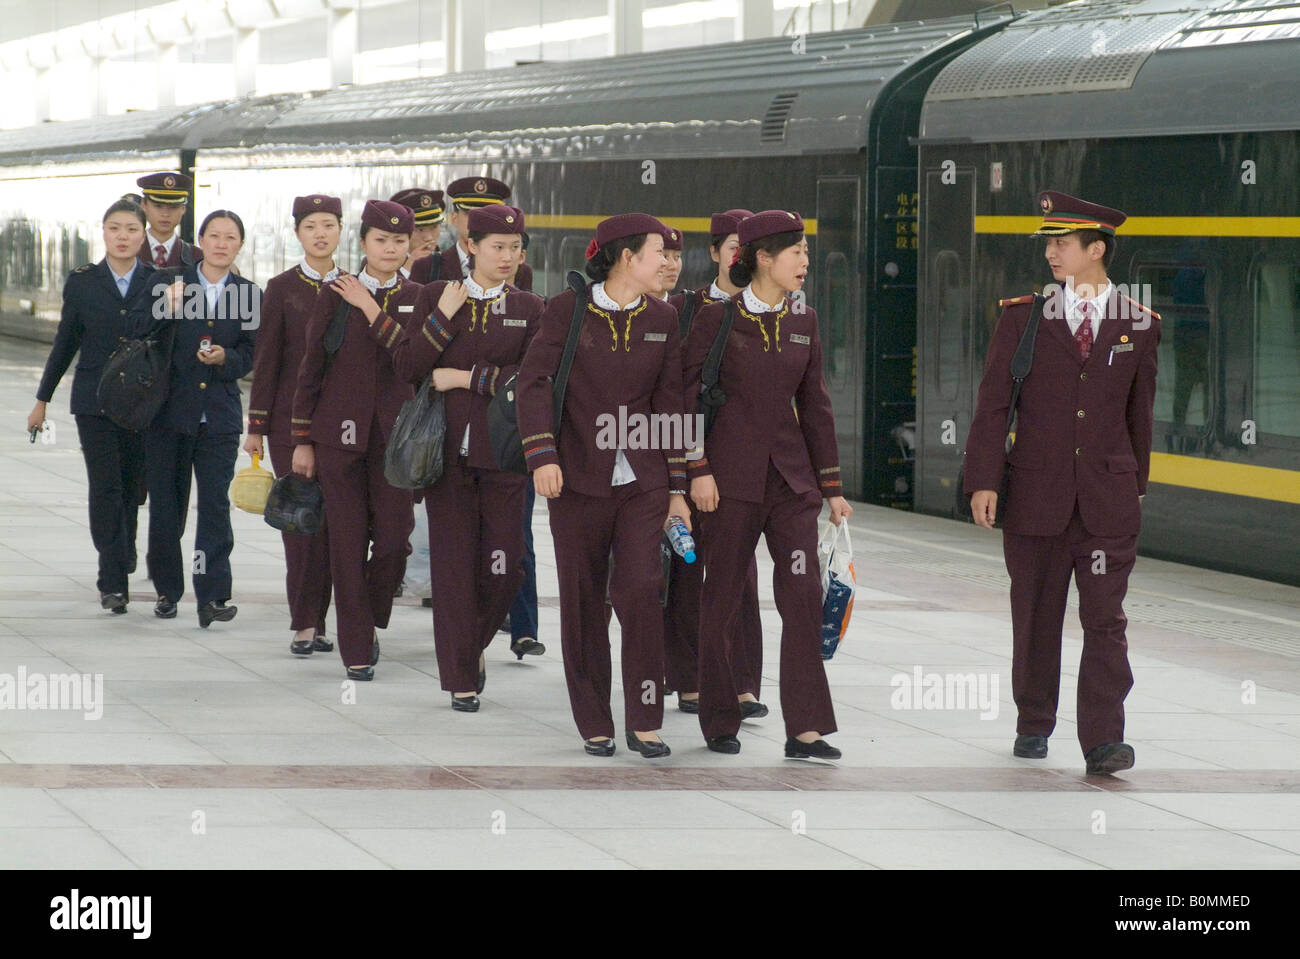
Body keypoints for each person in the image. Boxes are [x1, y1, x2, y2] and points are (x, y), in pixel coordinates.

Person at [963, 190, 1159, 777]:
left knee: (1105, 620)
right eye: (1049, 243)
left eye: (1063, 243)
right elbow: (994, 405)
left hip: (1106, 503)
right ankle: (1033, 720)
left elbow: (1139, 418)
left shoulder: (1139, 324)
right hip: (1034, 497)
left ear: (1096, 249)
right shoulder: (1023, 318)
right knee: (1037, 614)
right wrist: (982, 481)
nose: (1052, 253)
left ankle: (1104, 740)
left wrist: (1134, 488)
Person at [517, 213, 689, 759]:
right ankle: (594, 720)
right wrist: (542, 454)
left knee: (641, 589)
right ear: (624, 257)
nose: (668, 262)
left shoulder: (664, 316)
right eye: (658, 252)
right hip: (576, 476)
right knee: (583, 598)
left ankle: (644, 718)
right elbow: (533, 382)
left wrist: (679, 486)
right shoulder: (567, 310)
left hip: (644, 479)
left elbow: (672, 402)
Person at [684, 209, 850, 760]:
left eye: (805, 252)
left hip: (790, 483)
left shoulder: (806, 319)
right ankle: (719, 717)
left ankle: (805, 729)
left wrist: (831, 488)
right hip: (727, 482)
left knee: (802, 597)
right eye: (796, 252)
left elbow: (816, 404)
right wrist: (696, 469)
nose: (805, 261)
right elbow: (686, 399)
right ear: (762, 258)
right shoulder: (717, 319)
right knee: (724, 598)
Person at [382, 204, 544, 710]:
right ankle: (460, 678)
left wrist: (466, 378)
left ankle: (468, 646)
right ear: (470, 247)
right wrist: (442, 318)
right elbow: (409, 366)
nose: (508, 257)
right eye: (498, 247)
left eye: (516, 249)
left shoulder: (531, 307)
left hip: (505, 458)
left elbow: (532, 381)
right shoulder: (434, 296)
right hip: (444, 457)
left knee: (506, 566)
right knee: (452, 569)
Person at [291, 199, 422, 680]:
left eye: (400, 241)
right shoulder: (332, 295)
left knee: (393, 542)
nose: (391, 248)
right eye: (381, 240)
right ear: (363, 242)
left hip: (397, 443)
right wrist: (302, 438)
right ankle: (357, 649)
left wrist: (369, 307)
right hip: (337, 441)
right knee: (345, 546)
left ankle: (369, 614)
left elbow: (412, 360)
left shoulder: (419, 297)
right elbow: (311, 370)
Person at [28, 198, 162, 613]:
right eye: (115, 228)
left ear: (144, 235)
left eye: (132, 230)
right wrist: (42, 399)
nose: (123, 237)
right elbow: (65, 341)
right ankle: (113, 578)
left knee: (132, 486)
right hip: (93, 401)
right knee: (105, 486)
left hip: (142, 402)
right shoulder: (83, 281)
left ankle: (124, 548)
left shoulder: (160, 282)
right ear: (103, 232)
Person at [658, 217, 767, 717]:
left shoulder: (782, 311)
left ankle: (743, 681)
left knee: (740, 574)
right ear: (717, 253)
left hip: (744, 463)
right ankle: (688, 678)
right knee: (686, 569)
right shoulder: (687, 308)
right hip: (689, 455)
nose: (741, 255)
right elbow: (670, 388)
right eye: (733, 247)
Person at [146, 210, 259, 627]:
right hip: (168, 415)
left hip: (220, 418)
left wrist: (226, 358)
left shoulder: (248, 294)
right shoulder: (169, 283)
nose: (222, 243)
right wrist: (165, 310)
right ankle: (167, 589)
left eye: (231, 237)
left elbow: (252, 353)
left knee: (213, 506)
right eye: (214, 235)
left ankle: (211, 594)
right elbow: (141, 333)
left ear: (239, 245)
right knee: (167, 506)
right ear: (201, 241)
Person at [244, 194, 341, 655]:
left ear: (341, 231)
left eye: (328, 224)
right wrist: (256, 426)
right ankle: (306, 622)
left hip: (345, 423)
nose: (320, 233)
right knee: (300, 523)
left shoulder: (354, 286)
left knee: (337, 526)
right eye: (310, 226)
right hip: (287, 424)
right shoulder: (282, 288)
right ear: (298, 234)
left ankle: (332, 618)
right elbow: (268, 361)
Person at [409, 177, 534, 291]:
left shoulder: (517, 269)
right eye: (470, 214)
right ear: (454, 218)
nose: (479, 221)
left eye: (489, 215)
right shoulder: (428, 266)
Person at [135, 172, 201, 269]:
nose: (165, 214)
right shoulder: (128, 252)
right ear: (144, 205)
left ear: (183, 209)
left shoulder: (197, 258)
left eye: (173, 207)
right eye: (158, 206)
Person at [389, 188, 445, 283]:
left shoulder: (452, 262)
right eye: (419, 229)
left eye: (434, 227)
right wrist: (407, 269)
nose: (429, 237)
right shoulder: (381, 261)